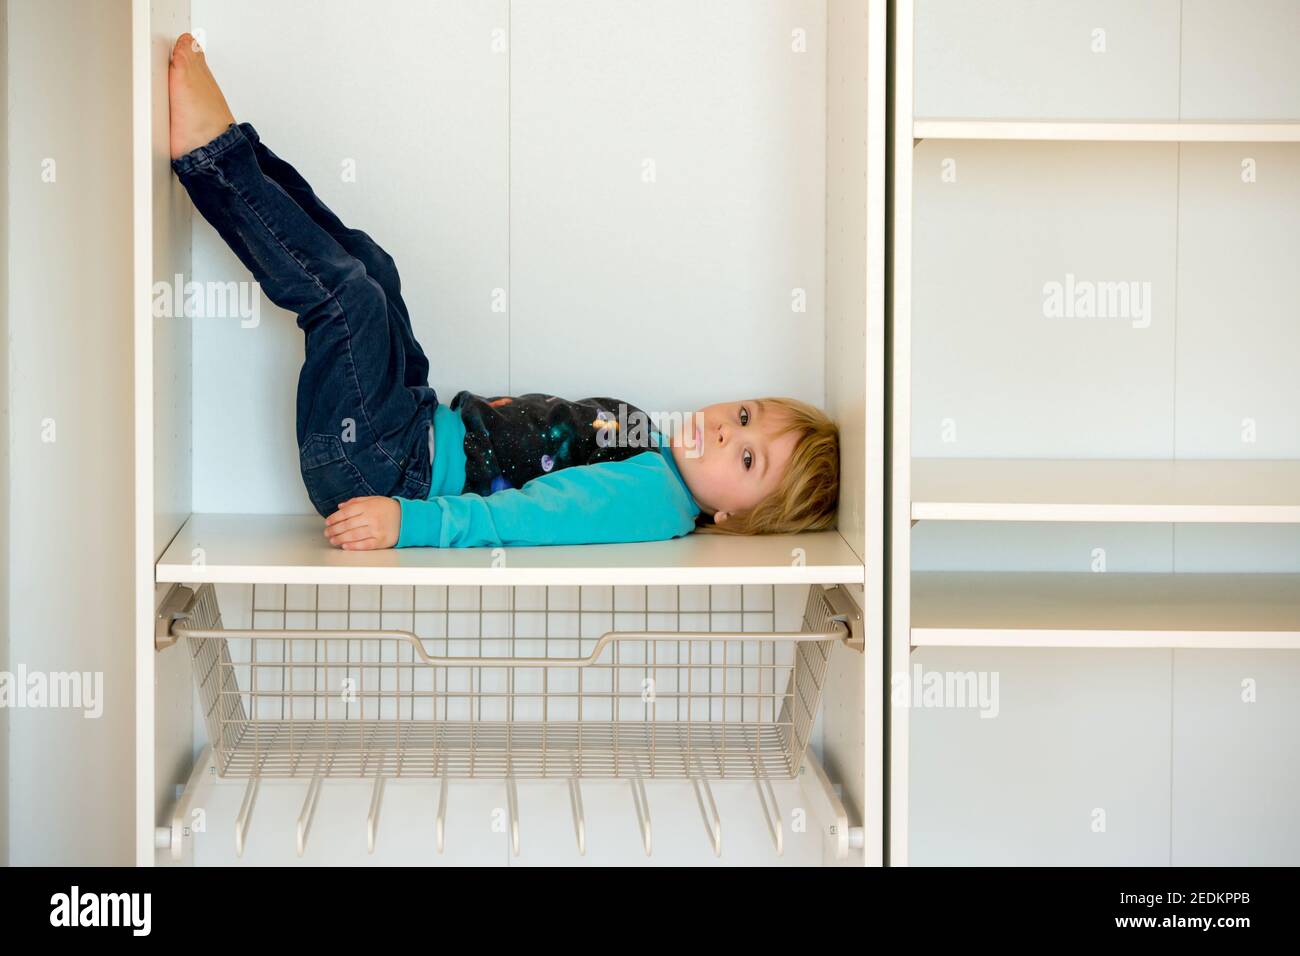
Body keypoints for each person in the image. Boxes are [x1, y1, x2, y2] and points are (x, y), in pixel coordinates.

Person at [168, 34, 839, 550]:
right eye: (747, 415)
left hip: (383, 471)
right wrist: (498, 412)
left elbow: (526, 517)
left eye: (747, 458)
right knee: (376, 267)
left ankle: (213, 157)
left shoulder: (652, 500)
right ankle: (239, 155)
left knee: (350, 302)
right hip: (416, 428)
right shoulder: (655, 446)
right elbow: (555, 435)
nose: (728, 430)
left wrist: (410, 525)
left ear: (736, 517)